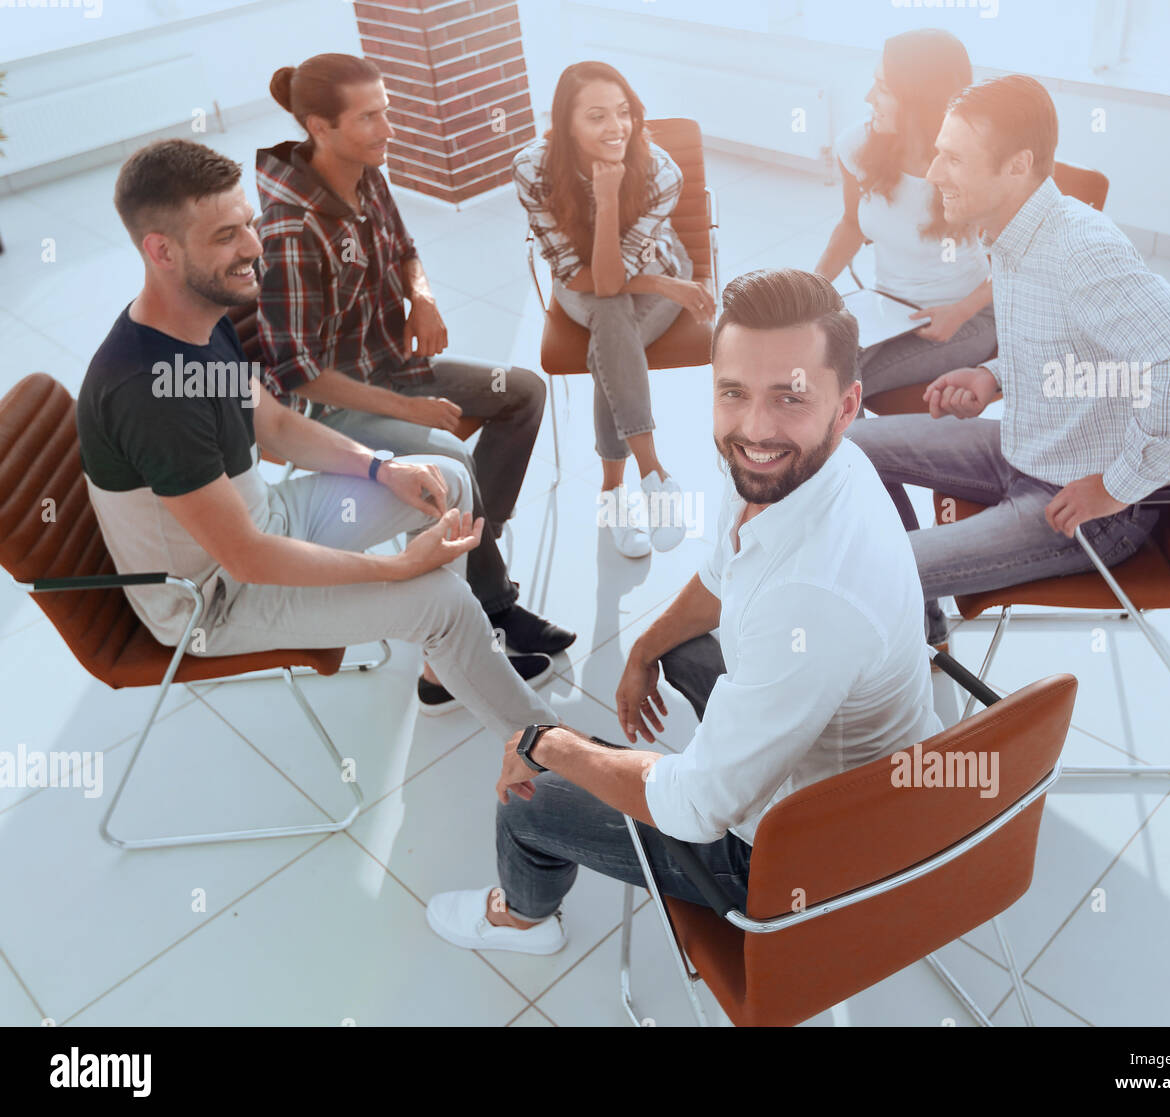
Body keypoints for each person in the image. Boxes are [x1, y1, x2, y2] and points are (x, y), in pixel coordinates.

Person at [424, 269, 942, 954]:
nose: (755, 426)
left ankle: (522, 917)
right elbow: (720, 575)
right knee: (674, 646)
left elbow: (696, 809)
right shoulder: (795, 469)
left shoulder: (813, 599)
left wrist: (544, 742)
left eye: (790, 396)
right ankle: (716, 738)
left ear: (846, 405)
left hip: (801, 854)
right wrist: (641, 651)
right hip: (838, 747)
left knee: (531, 798)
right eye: (734, 392)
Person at [78, 138, 558, 732]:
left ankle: (443, 676)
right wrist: (398, 570)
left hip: (265, 519)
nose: (255, 247)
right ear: (161, 251)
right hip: (215, 598)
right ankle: (569, 764)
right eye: (227, 235)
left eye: (249, 224)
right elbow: (246, 559)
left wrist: (383, 469)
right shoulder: (150, 391)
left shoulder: (198, 320)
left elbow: (276, 423)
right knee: (443, 602)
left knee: (446, 481)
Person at [847, 75, 1170, 649]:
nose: (932, 173)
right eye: (937, 153)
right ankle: (924, 633)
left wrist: (1116, 485)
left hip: (1088, 510)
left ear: (1017, 165)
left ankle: (897, 626)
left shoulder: (1081, 250)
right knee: (844, 445)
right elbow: (1072, 346)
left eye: (953, 158)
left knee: (866, 573)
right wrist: (993, 376)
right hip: (1026, 446)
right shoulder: (1011, 233)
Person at [256, 53, 575, 681]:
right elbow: (298, 372)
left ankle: (474, 538)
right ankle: (491, 599)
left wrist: (422, 295)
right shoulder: (290, 231)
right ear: (321, 127)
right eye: (369, 117)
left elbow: (405, 249)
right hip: (333, 405)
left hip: (391, 362)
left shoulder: (363, 171)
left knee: (524, 392)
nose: (387, 129)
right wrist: (408, 410)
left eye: (387, 111)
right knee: (449, 458)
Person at [513, 60, 716, 558]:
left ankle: (614, 493)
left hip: (651, 272)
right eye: (597, 116)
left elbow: (615, 284)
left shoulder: (660, 172)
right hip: (587, 284)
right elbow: (595, 282)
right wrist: (606, 202)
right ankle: (655, 475)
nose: (616, 128)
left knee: (610, 330)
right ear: (565, 123)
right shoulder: (532, 168)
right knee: (609, 314)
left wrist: (661, 279)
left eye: (623, 112)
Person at [814, 28, 995, 405]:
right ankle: (836, 464)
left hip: (964, 316)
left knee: (833, 386)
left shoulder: (979, 164)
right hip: (885, 309)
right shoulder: (857, 146)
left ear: (919, 99)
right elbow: (851, 225)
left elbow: (1022, 261)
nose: (868, 98)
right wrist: (810, 290)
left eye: (882, 87)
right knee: (803, 364)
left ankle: (850, 464)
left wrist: (960, 312)